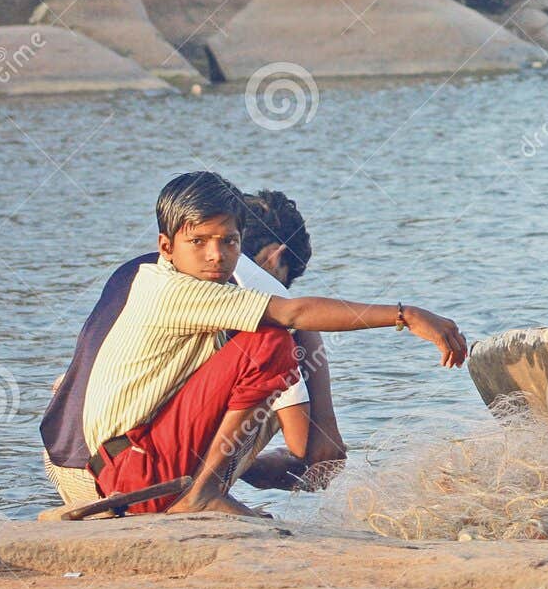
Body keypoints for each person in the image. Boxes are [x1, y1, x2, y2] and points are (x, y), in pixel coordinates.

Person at [41, 171, 467, 516]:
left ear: (242, 242)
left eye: (228, 241)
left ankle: (201, 488)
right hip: (126, 477)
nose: (217, 256)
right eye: (199, 242)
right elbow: (295, 323)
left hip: (77, 470)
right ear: (166, 247)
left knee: (260, 362)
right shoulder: (192, 288)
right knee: (270, 344)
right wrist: (404, 314)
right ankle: (202, 494)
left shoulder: (140, 273)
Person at [229, 189, 347, 492]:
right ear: (275, 255)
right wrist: (319, 437)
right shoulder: (254, 286)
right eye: (285, 279)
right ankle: (214, 482)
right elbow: (302, 446)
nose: (282, 289)